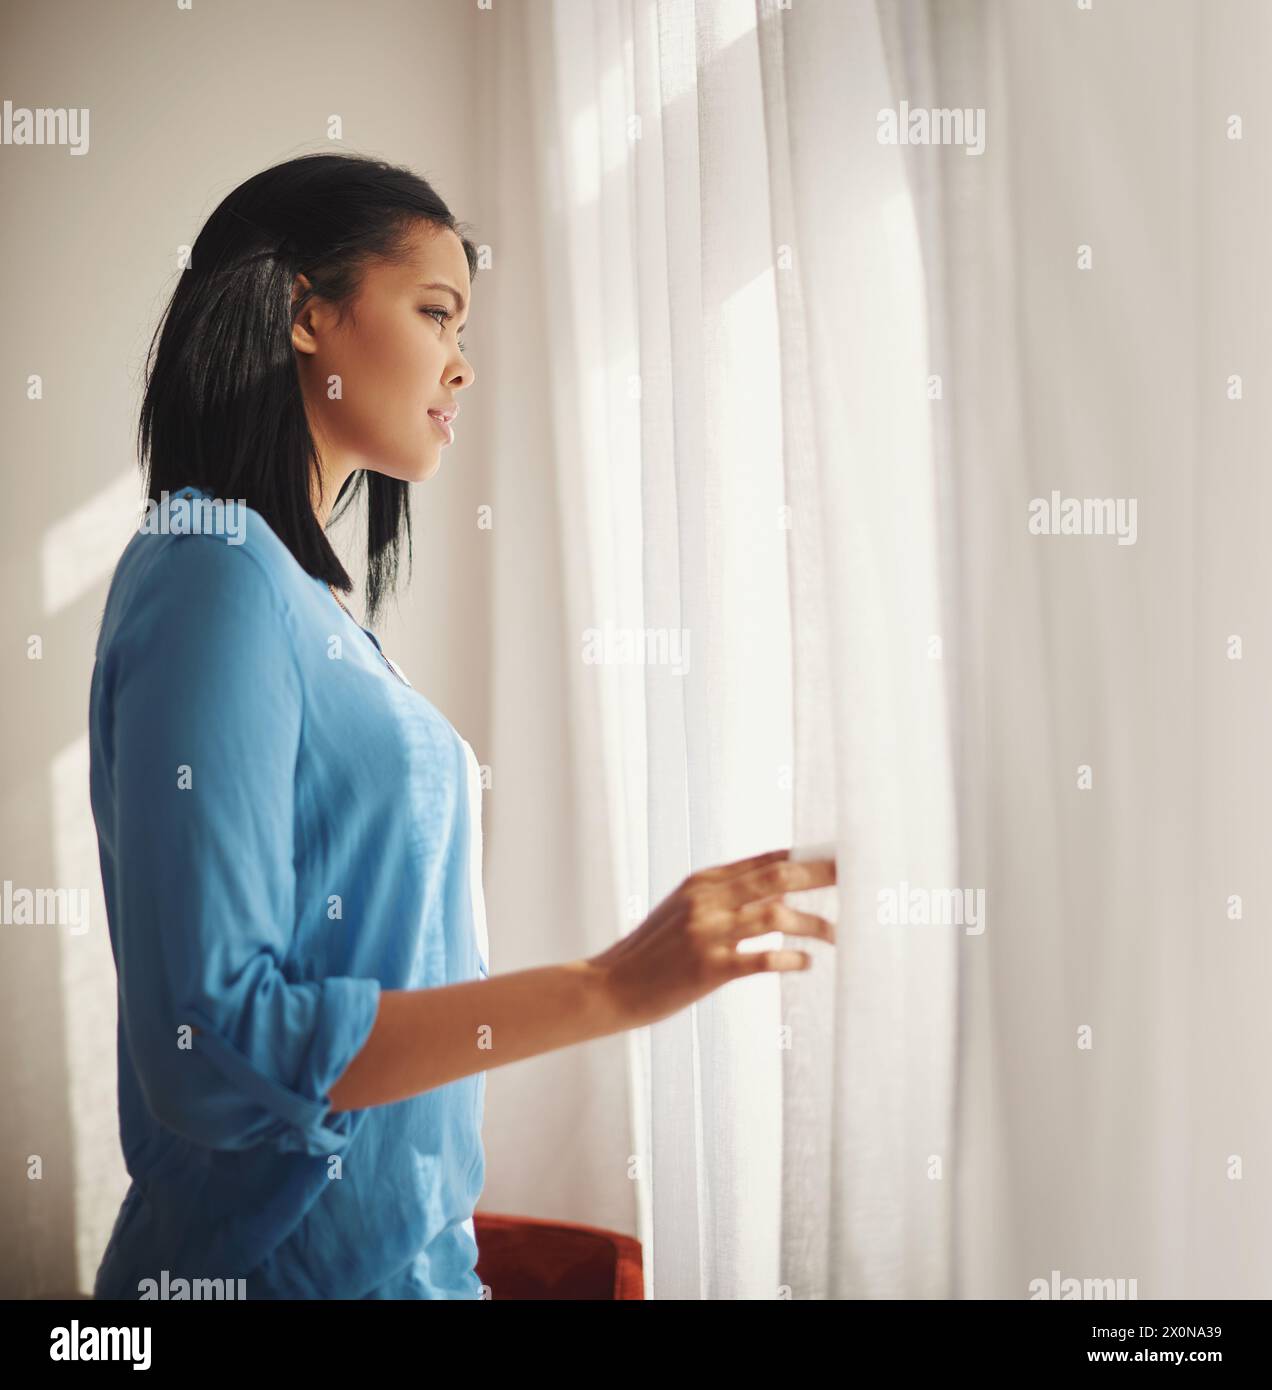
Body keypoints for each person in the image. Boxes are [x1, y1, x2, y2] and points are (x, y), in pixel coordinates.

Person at [88, 152, 837, 1300]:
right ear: (305, 312)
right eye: (435, 312)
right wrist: (606, 987)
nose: (462, 363)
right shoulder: (212, 569)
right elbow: (211, 1044)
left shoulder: (297, 602)